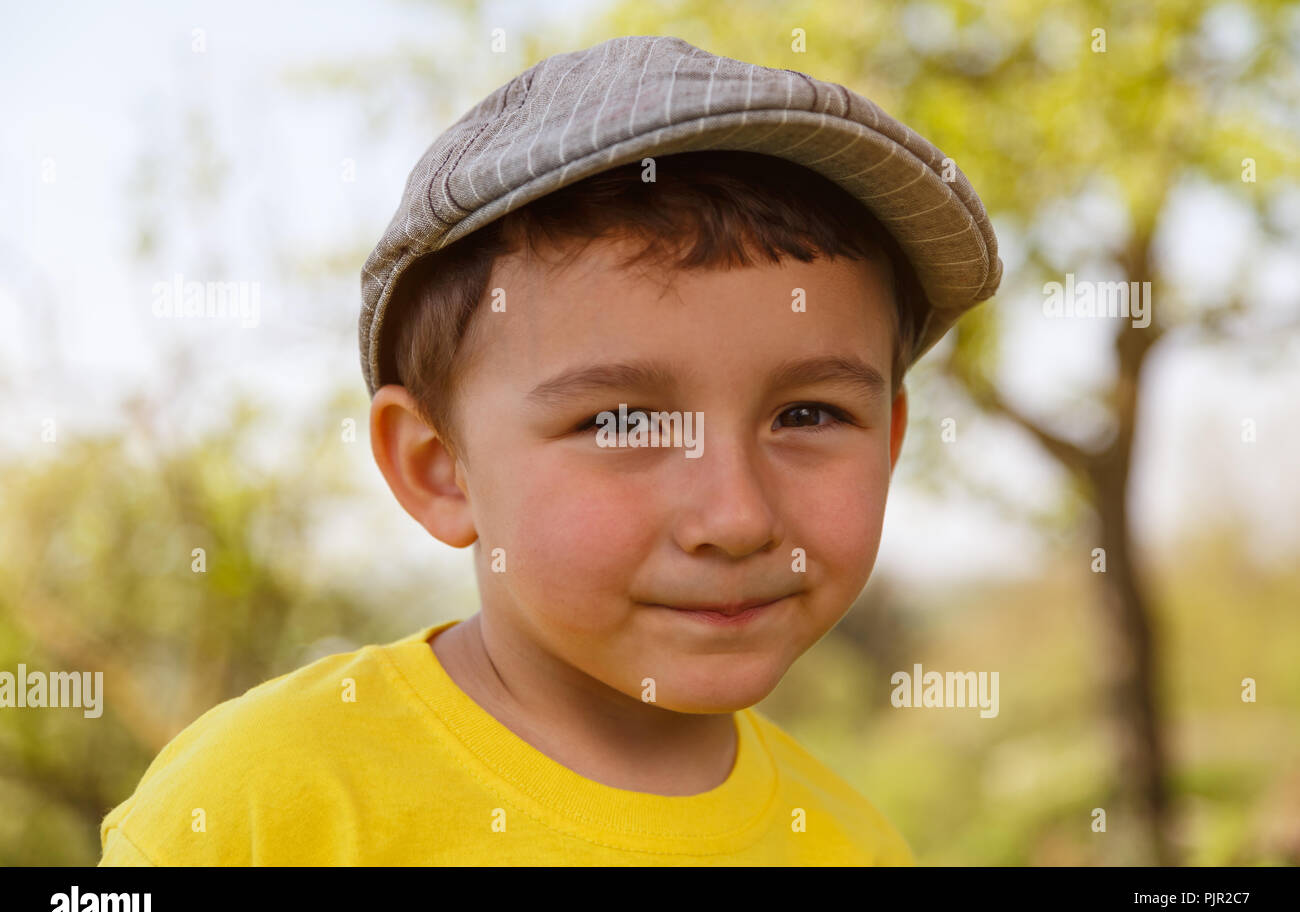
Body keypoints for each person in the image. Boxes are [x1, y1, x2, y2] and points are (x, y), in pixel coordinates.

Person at [100, 34, 1001, 865]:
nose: (735, 516)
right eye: (621, 423)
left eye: (807, 416)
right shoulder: (257, 807)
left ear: (890, 440)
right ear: (437, 469)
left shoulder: (856, 847)